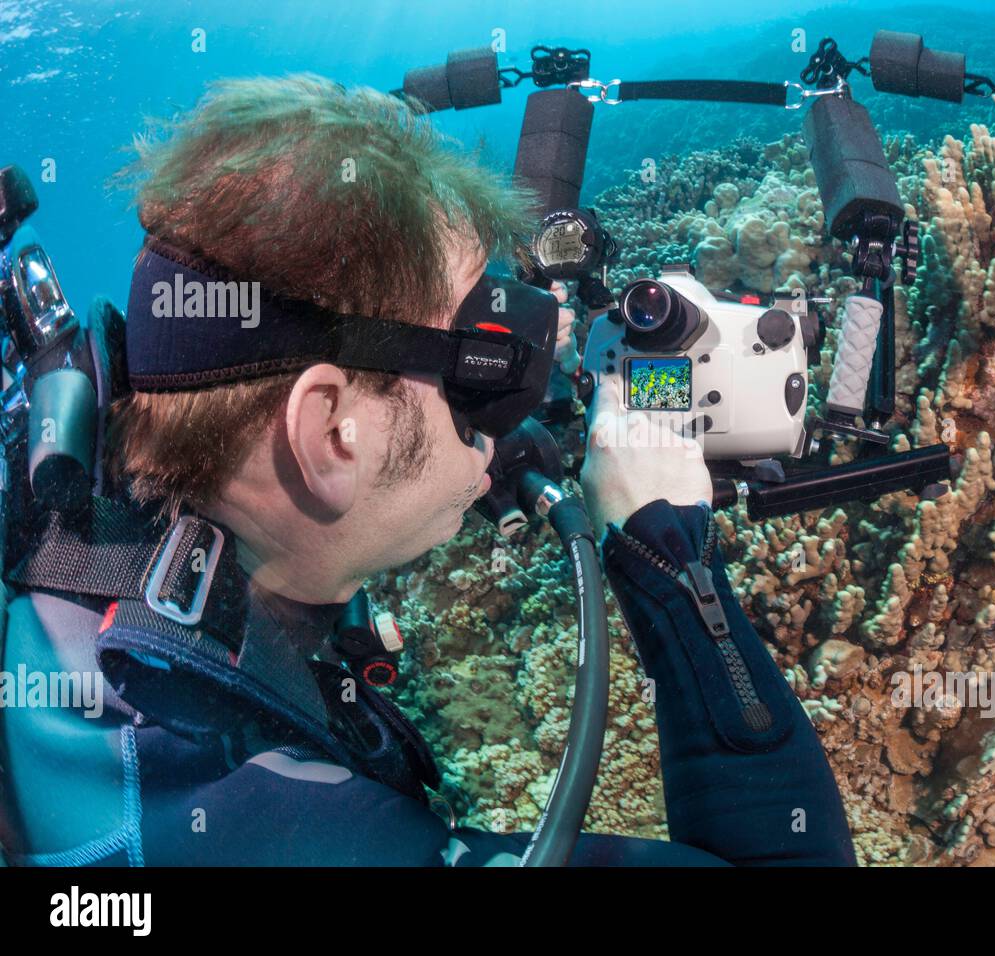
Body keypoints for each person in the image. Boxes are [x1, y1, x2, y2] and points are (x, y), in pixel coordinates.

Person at [0, 75, 854, 866]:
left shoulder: (97, 469)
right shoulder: (231, 818)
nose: (500, 407)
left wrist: (456, 443)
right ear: (332, 432)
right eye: (471, 376)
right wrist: (672, 560)